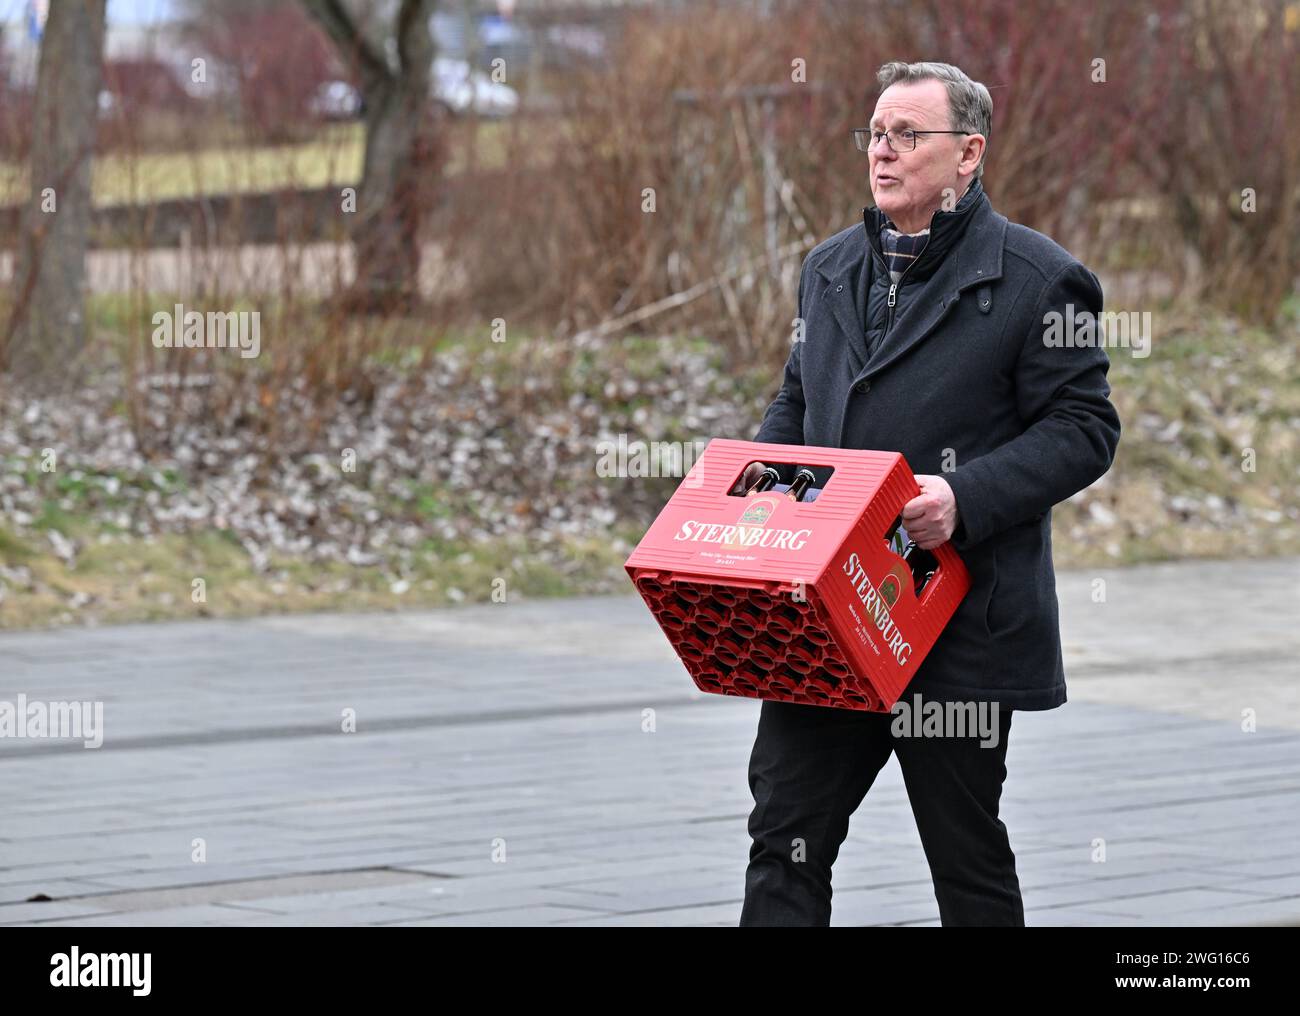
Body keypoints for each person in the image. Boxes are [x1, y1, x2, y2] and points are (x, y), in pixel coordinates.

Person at [734, 61, 1122, 926]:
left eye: (909, 135)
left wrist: (964, 497)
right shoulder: (830, 268)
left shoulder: (1038, 279)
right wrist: (764, 470)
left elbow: (1085, 429)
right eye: (876, 132)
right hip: (829, 619)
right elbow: (800, 396)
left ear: (968, 154)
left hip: (955, 623)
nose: (884, 151)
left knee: (965, 858)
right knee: (784, 840)